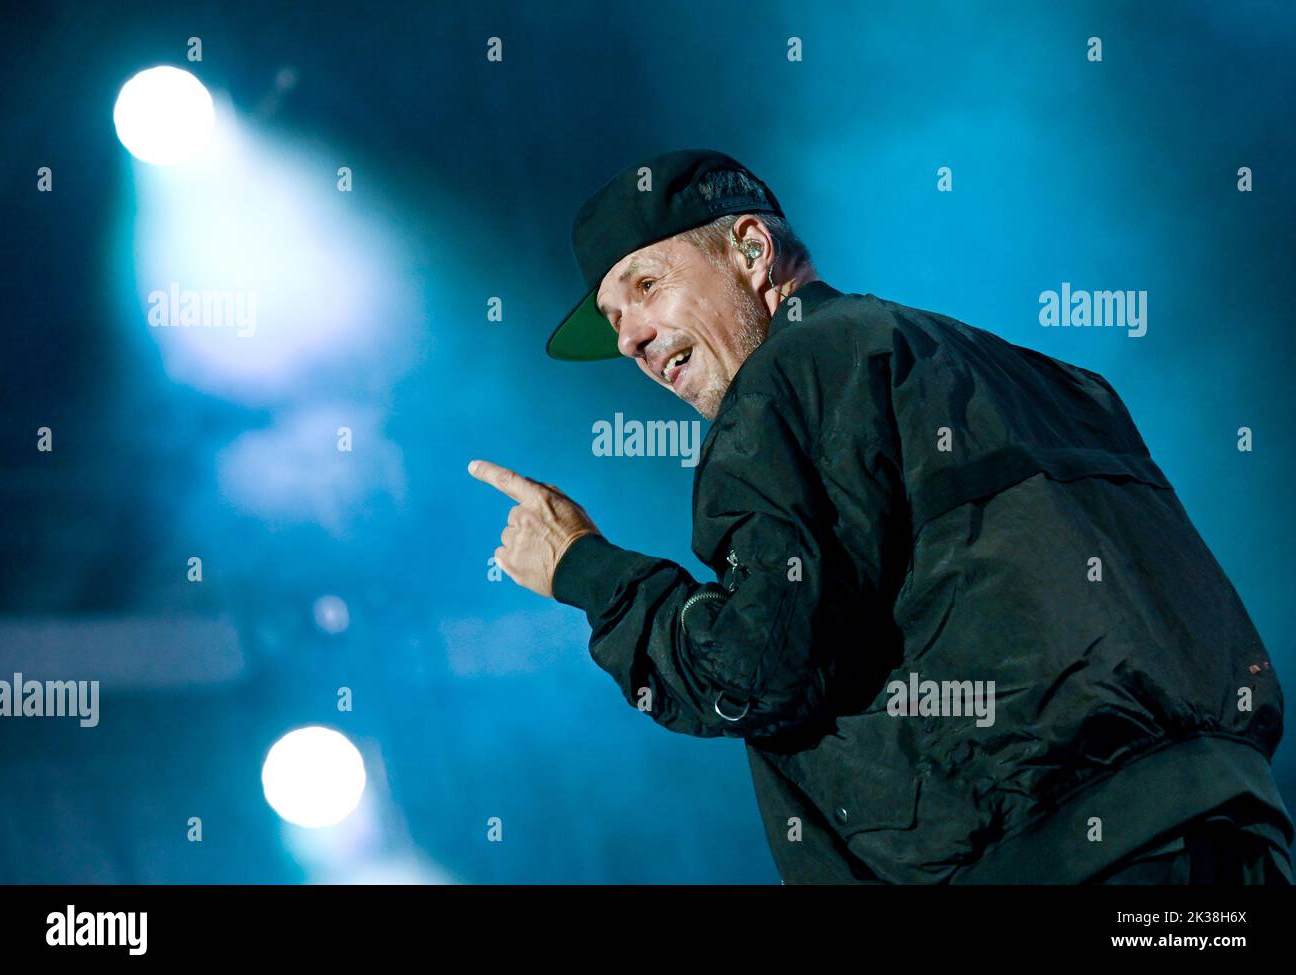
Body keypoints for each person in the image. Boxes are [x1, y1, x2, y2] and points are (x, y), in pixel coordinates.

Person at [468, 148, 1293, 884]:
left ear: (752, 250)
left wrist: (586, 568)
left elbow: (756, 670)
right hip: (1236, 834)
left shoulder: (791, 376)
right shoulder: (1044, 375)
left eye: (645, 287)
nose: (630, 341)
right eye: (615, 322)